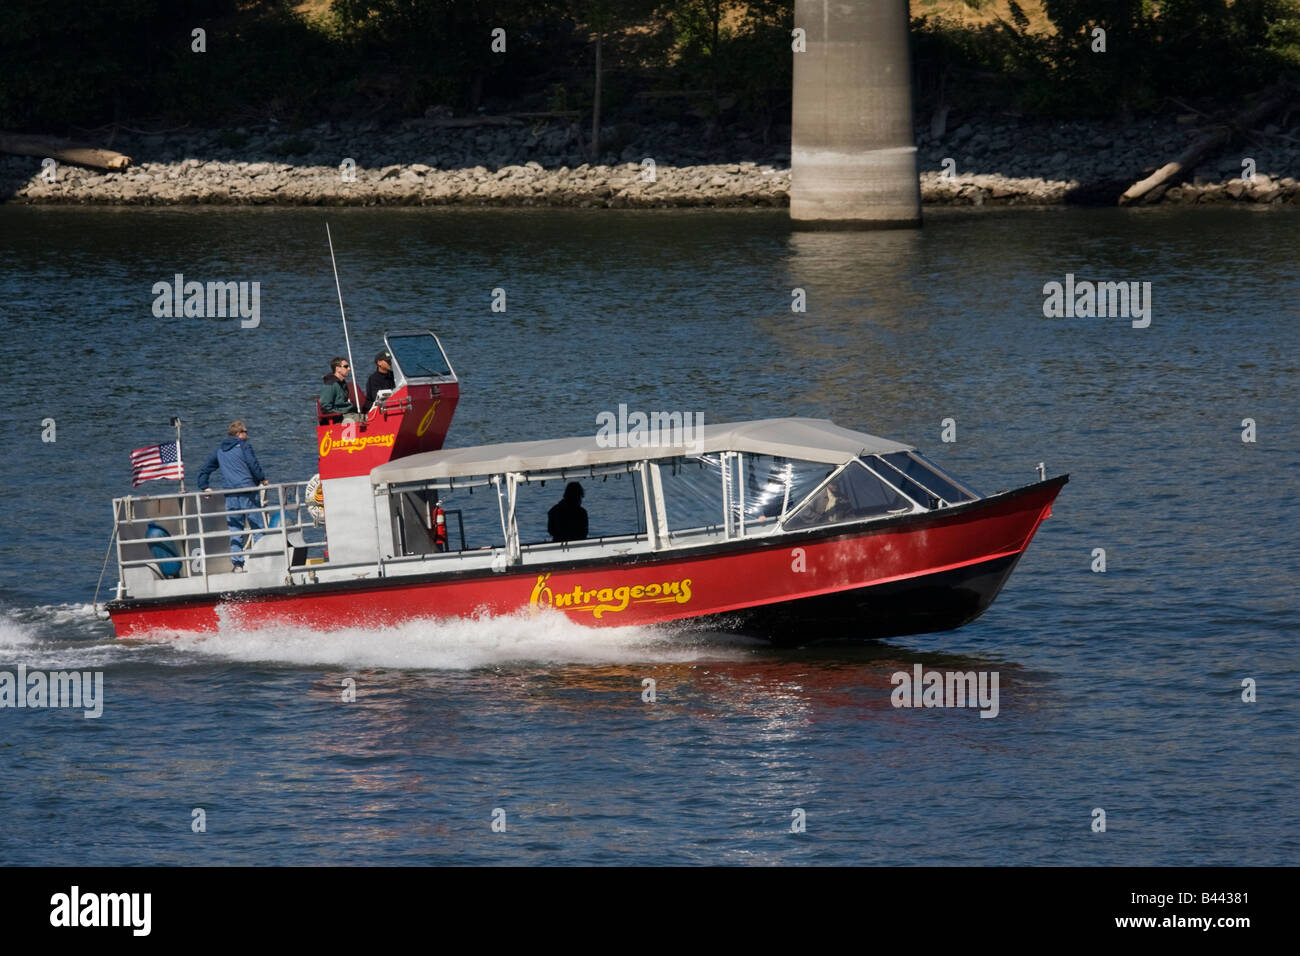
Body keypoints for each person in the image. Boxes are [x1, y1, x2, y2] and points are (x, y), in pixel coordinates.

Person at [197, 420, 269, 573]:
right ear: (238, 434)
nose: (247, 435)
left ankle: (237, 564)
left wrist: (204, 486)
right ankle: (261, 560)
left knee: (236, 529)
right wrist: (262, 478)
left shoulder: (220, 451)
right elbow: (253, 464)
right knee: (257, 527)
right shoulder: (244, 446)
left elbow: (205, 469)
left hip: (230, 495)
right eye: (245, 432)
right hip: (247, 492)